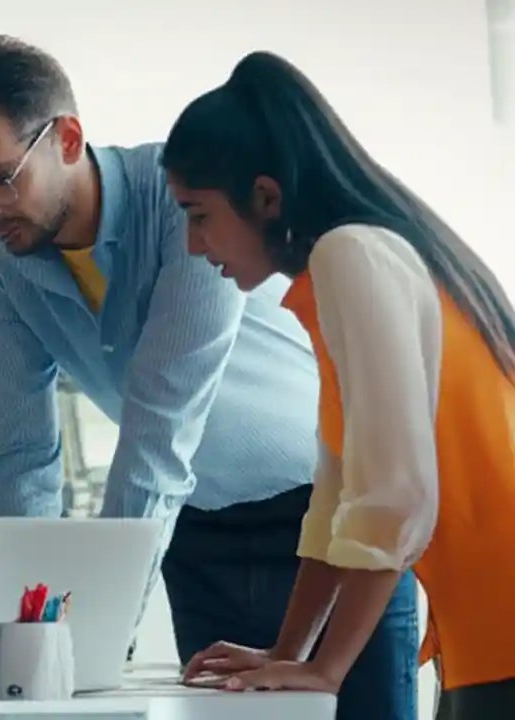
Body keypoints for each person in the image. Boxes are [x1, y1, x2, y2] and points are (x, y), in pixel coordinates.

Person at [0, 35, 417, 719]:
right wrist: (16, 642)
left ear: (65, 139)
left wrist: (90, 643)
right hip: (197, 536)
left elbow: (157, 434)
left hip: (328, 522)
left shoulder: (184, 202)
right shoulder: (3, 262)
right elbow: (25, 460)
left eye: (0, 179)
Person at [166, 51, 515, 719]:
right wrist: (289, 653)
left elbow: (395, 497)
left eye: (199, 213)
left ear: (266, 197)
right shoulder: (350, 267)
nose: (192, 244)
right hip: (485, 637)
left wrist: (325, 669)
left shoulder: (349, 254)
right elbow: (339, 501)